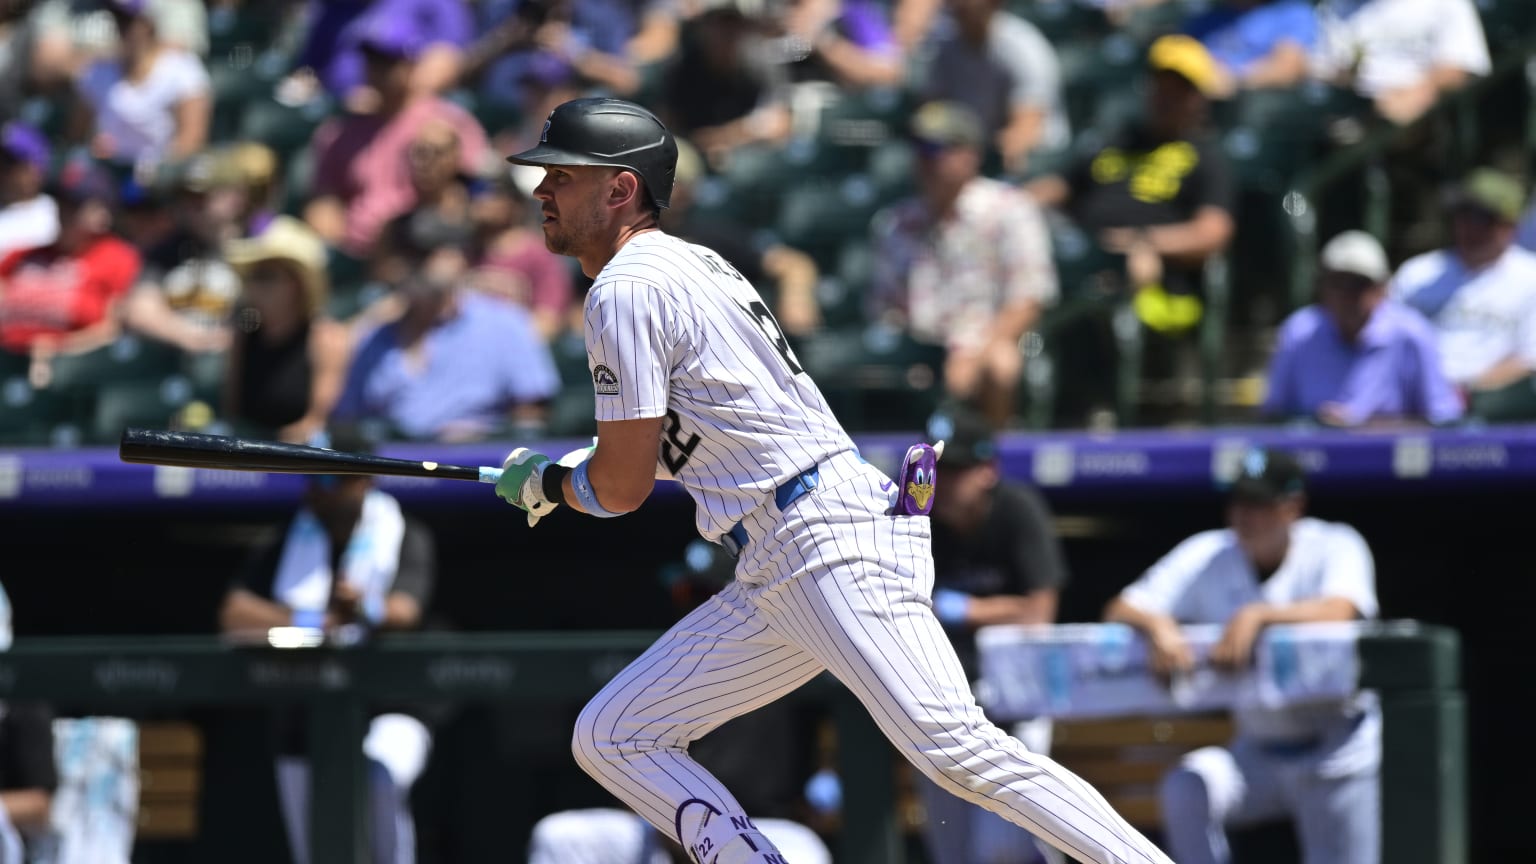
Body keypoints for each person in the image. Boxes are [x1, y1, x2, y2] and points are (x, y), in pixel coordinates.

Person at [492, 96, 1174, 864]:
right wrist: (567, 470)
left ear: (620, 190)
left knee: (959, 751)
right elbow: (660, 439)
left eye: (562, 175)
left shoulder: (625, 287)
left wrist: (557, 487)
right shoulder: (688, 263)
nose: (542, 190)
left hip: (821, 537)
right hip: (781, 553)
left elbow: (621, 488)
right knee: (613, 734)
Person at [1103, 447, 1382, 864]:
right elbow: (1122, 606)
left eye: (1259, 504)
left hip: (1336, 749)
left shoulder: (1335, 543)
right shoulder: (1210, 552)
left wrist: (1260, 616)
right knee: (1187, 788)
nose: (1243, 515)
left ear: (1293, 507)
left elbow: (1340, 610)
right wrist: (1158, 626)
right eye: (1237, 501)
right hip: (1259, 749)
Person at [218, 428, 437, 864]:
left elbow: (405, 612)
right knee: (315, 849)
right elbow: (234, 614)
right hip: (303, 713)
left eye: (330, 479)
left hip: (389, 705)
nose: (316, 491)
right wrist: (316, 621)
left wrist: (365, 609)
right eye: (311, 478)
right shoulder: (290, 535)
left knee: (377, 776)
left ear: (364, 481)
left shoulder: (403, 531)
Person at [917, 406, 1069, 864]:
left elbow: (1039, 610)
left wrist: (964, 609)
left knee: (1001, 848)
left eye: (958, 470)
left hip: (1016, 704)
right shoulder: (914, 519)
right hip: (944, 708)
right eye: (938, 470)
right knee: (953, 853)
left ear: (988, 470)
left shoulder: (1016, 508)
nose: (944, 483)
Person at [870, 101, 1058, 429]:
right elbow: (884, 307)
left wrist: (974, 355)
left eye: (935, 148)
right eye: (919, 150)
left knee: (1001, 364)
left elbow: (1029, 300)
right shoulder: (895, 221)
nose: (925, 160)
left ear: (971, 154)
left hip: (982, 343)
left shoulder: (1008, 208)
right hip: (917, 348)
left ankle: (990, 463)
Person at [1262, 230, 1463, 427]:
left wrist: (1367, 429)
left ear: (1382, 289)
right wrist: (1317, 425)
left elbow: (1443, 421)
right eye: (1337, 283)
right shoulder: (1298, 331)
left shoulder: (1412, 333)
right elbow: (1274, 415)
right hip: (1306, 457)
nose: (1346, 295)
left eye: (1358, 284)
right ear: (1321, 287)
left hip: (1389, 459)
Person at [1388, 168, 1536, 399]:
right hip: (1412, 402)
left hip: (1495, 411)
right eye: (1462, 215)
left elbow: (1529, 359)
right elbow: (1385, 341)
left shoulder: (1529, 277)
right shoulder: (1417, 274)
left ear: (1509, 227)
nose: (1468, 226)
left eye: (1481, 218)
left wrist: (1464, 391)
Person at [221, 216, 352, 444]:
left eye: (267, 277)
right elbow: (232, 412)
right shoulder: (242, 337)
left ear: (297, 285)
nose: (255, 287)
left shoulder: (326, 339)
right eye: (253, 276)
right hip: (247, 457)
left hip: (299, 464)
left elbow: (318, 421)